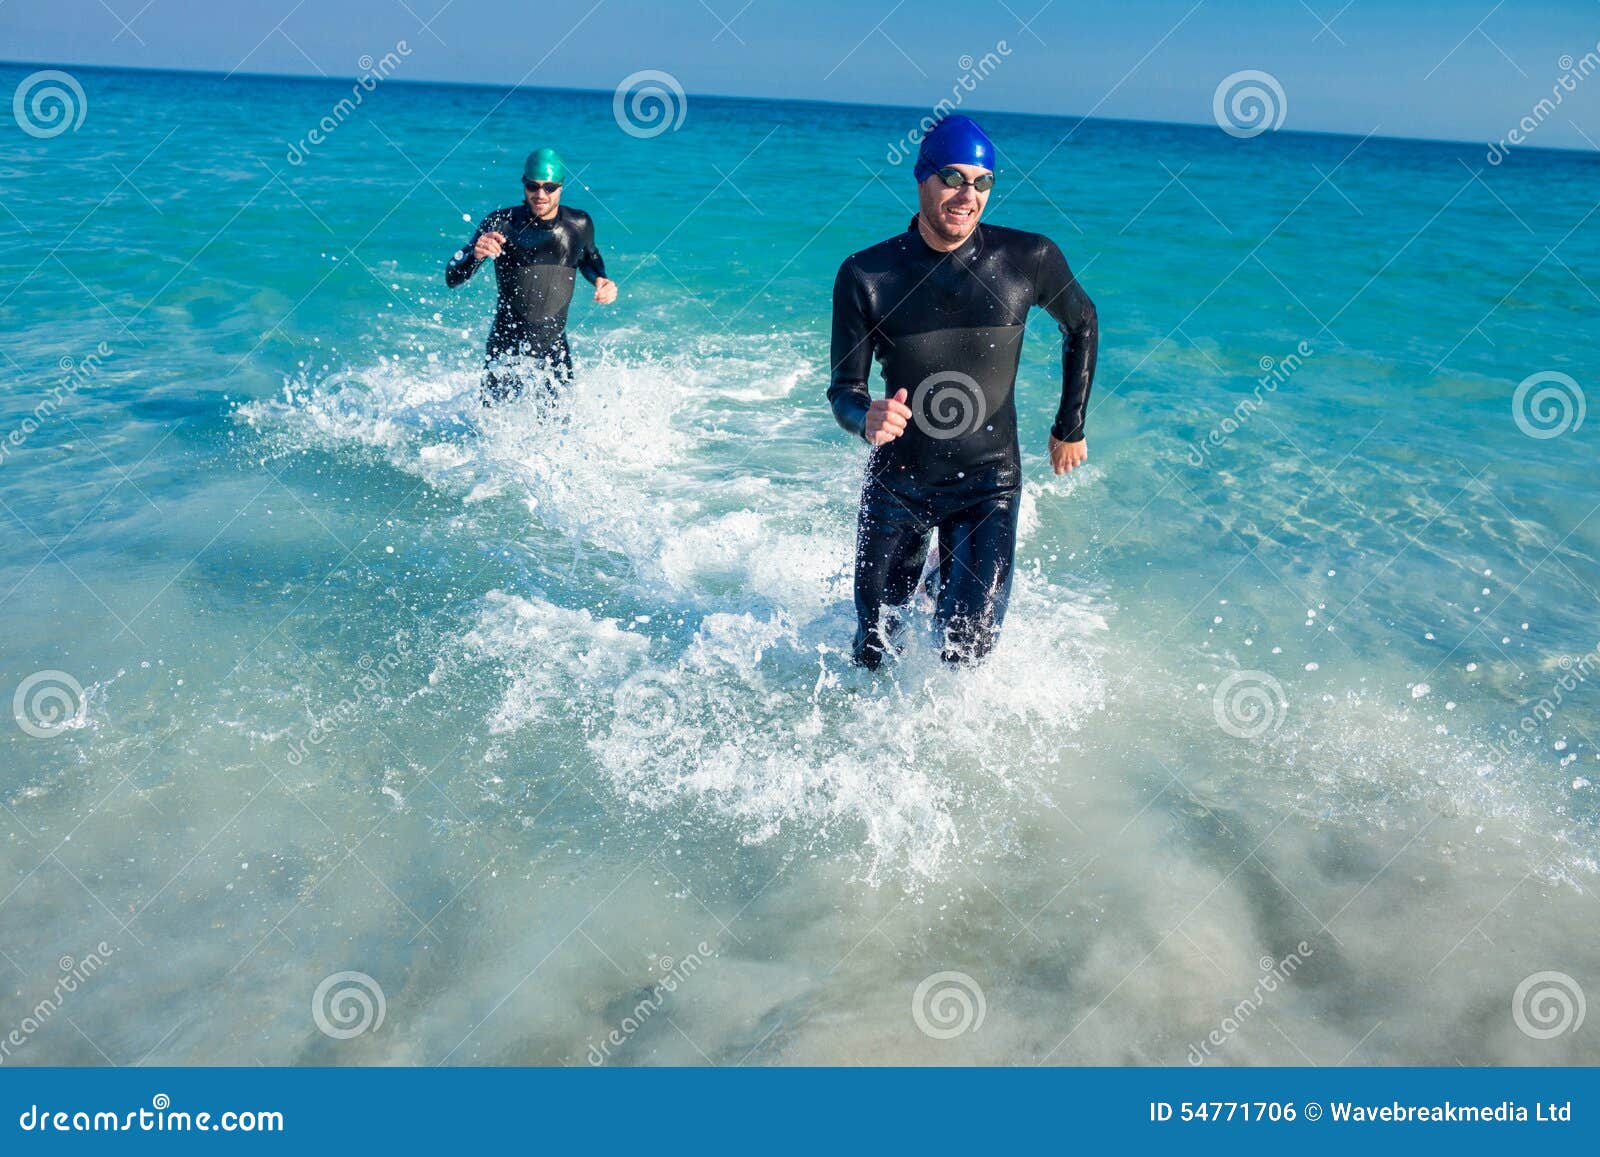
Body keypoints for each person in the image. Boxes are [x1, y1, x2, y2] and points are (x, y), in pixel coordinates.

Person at [827, 115, 1099, 669]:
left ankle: (944, 581)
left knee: (967, 651)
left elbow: (1083, 323)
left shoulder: (1028, 259)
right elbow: (844, 389)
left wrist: (1069, 426)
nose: (967, 195)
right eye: (952, 178)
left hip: (987, 483)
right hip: (899, 482)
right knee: (874, 649)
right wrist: (865, 417)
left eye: (982, 182)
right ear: (922, 177)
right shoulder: (867, 275)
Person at [446, 148, 618, 405]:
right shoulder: (501, 224)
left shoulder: (579, 224)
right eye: (533, 186)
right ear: (524, 184)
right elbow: (452, 277)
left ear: (561, 187)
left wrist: (601, 279)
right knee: (491, 424)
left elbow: (589, 258)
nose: (540, 195)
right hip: (506, 348)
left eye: (549, 187)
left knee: (561, 424)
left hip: (554, 351)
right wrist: (476, 255)